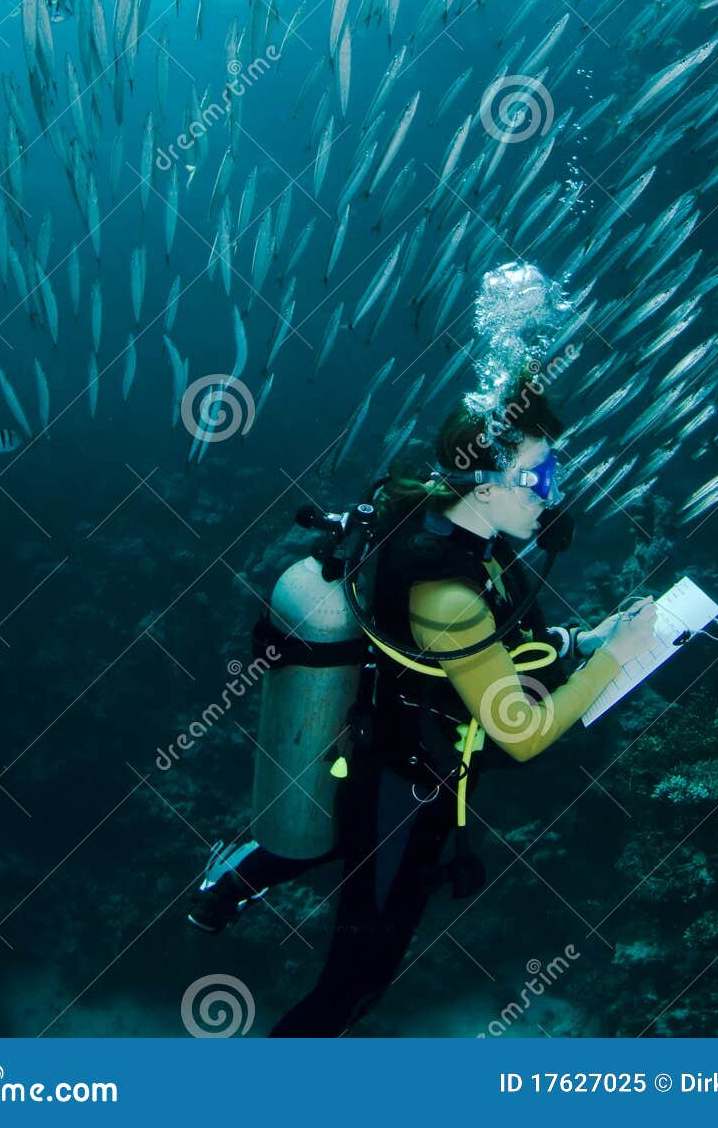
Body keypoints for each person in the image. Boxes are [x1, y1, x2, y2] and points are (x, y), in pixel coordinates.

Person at [186, 365, 656, 1036]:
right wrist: (619, 656)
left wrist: (587, 640)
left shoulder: (465, 537)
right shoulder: (447, 592)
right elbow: (519, 732)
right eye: (537, 478)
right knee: (352, 989)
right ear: (484, 485)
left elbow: (510, 642)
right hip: (399, 791)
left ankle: (228, 885)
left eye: (551, 475)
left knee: (327, 837)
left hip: (381, 749)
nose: (550, 495)